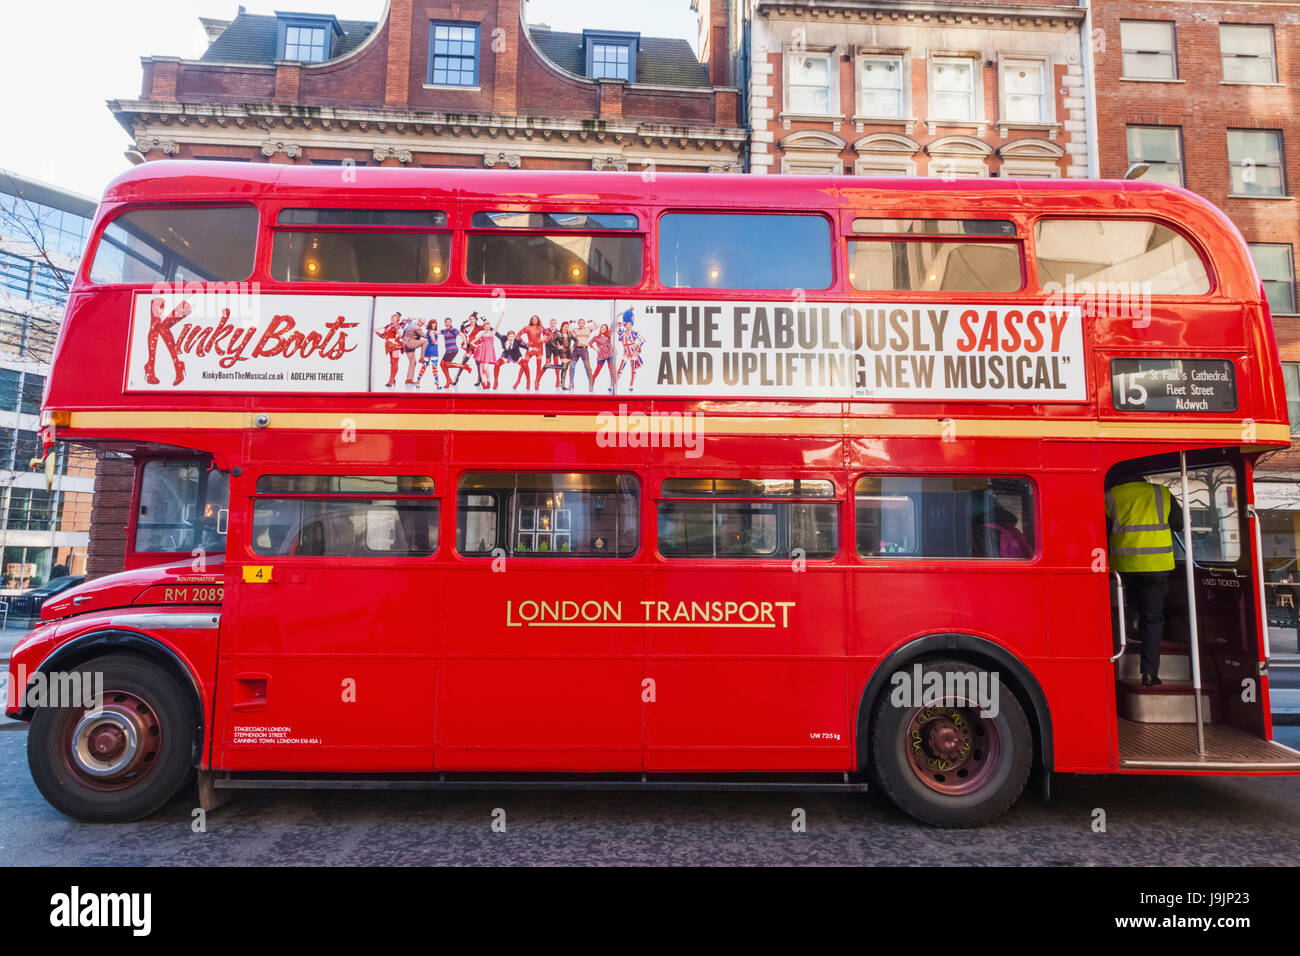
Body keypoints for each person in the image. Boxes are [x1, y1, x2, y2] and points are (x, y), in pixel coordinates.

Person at [1106, 477, 1183, 686]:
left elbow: (1103, 529)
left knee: (1130, 603)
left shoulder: (1111, 495)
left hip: (1124, 566)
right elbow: (1178, 524)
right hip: (1157, 565)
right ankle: (1149, 673)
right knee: (1154, 618)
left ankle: (1132, 623)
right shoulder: (1162, 493)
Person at [376, 312, 404, 388]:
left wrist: (397, 337)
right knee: (392, 363)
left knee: (394, 362)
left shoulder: (397, 326)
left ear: (398, 319)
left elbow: (400, 334)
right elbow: (383, 336)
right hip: (389, 345)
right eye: (392, 317)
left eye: (395, 317)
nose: (393, 318)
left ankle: (391, 381)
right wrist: (376, 331)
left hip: (395, 345)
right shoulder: (387, 326)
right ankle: (392, 379)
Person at [416, 319, 441, 389]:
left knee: (424, 366)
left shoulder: (429, 330)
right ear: (431, 324)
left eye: (435, 323)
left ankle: (418, 381)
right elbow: (433, 337)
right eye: (432, 323)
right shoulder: (432, 331)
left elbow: (435, 332)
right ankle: (437, 383)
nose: (434, 325)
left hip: (427, 349)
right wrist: (436, 342)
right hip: (433, 350)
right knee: (434, 367)